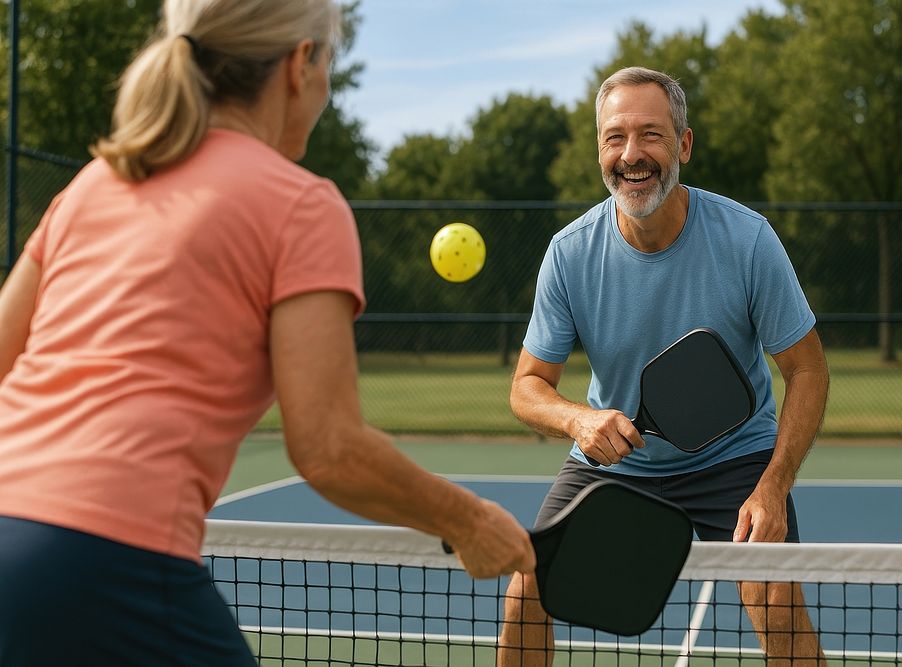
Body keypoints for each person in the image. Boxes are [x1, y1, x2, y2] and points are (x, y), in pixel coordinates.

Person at [0, 1, 534, 665]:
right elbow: (329, 449)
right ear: (299, 64)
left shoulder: (90, 186)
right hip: (106, 561)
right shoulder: (303, 205)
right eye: (329, 64)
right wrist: (471, 520)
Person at [497, 66, 829, 666]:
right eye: (614, 137)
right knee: (526, 594)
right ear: (599, 149)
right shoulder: (570, 253)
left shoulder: (748, 240)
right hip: (614, 462)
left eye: (650, 134)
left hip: (733, 458)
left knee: (778, 609)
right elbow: (527, 387)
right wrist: (579, 421)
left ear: (684, 144)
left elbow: (807, 371)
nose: (631, 154)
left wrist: (774, 485)